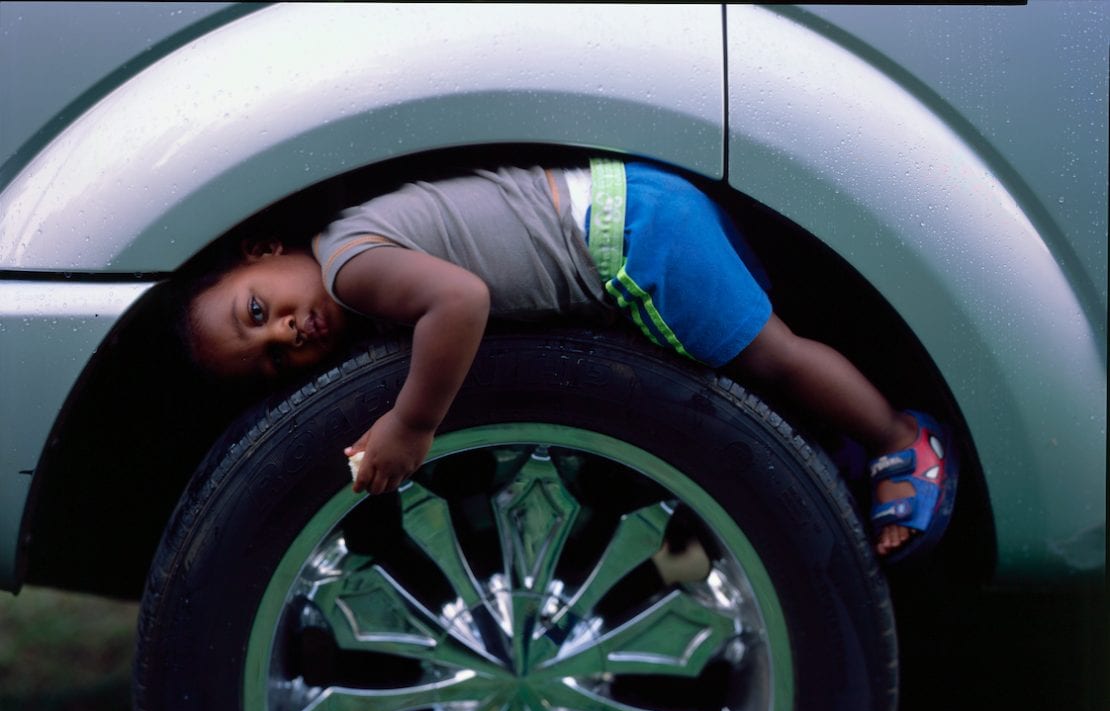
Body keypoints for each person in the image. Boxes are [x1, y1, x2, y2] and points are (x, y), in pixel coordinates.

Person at [177, 157, 958, 563]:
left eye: (258, 310)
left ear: (263, 251)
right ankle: (853, 449)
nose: (286, 332)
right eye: (272, 360)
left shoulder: (351, 264)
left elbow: (461, 301)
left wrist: (410, 424)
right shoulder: (355, 246)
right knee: (753, 370)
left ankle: (900, 441)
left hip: (635, 239)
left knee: (775, 358)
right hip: (635, 206)